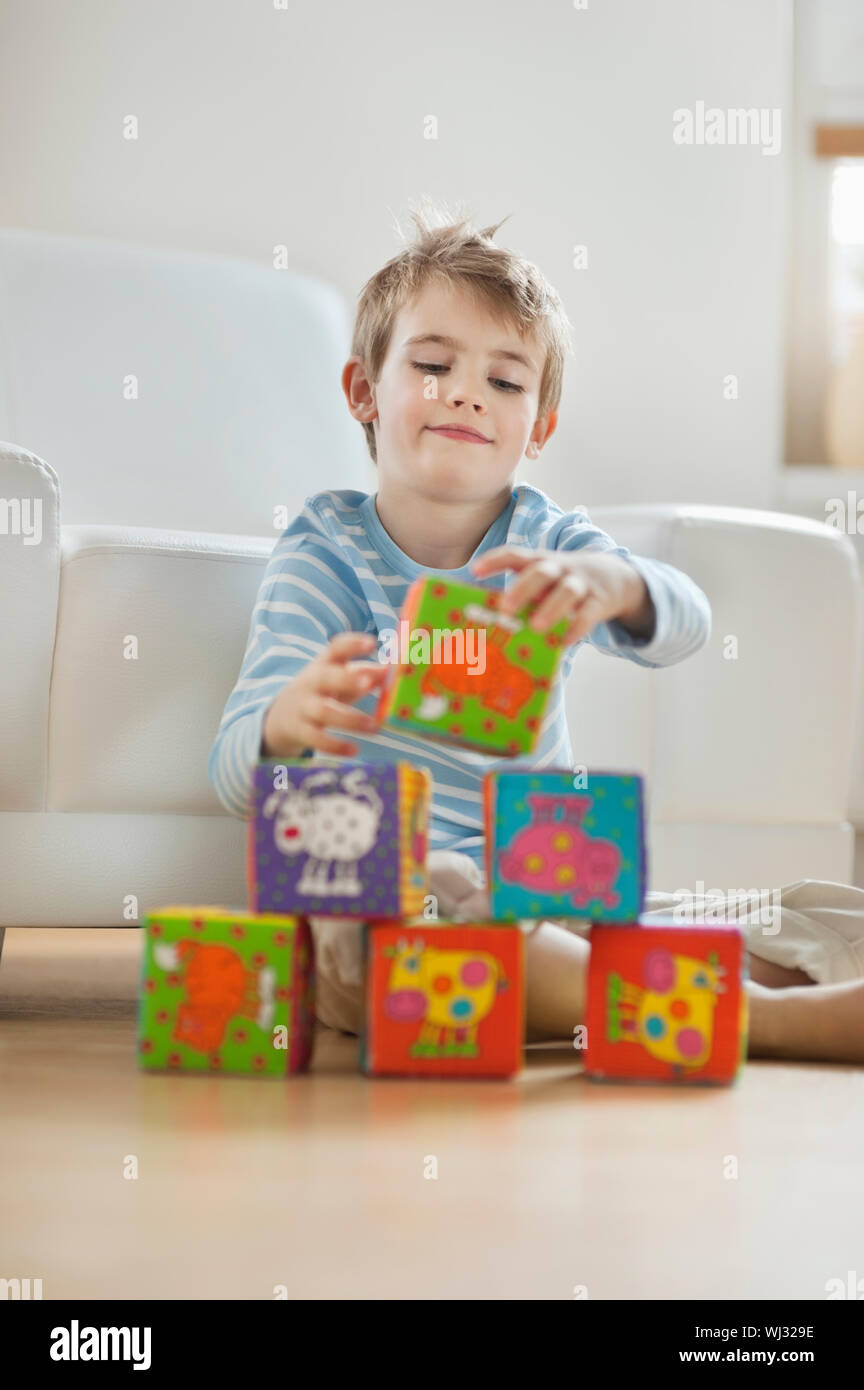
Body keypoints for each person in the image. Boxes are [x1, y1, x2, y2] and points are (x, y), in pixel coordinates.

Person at [208, 202, 864, 1065]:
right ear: (365, 390)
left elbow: (685, 624)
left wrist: (616, 583)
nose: (468, 392)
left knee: (818, 915)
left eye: (507, 382)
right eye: (434, 363)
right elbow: (230, 770)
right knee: (395, 945)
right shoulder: (324, 552)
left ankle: (657, 982)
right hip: (396, 898)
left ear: (538, 427)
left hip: (548, 896)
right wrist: (285, 723)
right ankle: (758, 1019)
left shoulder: (548, 540)